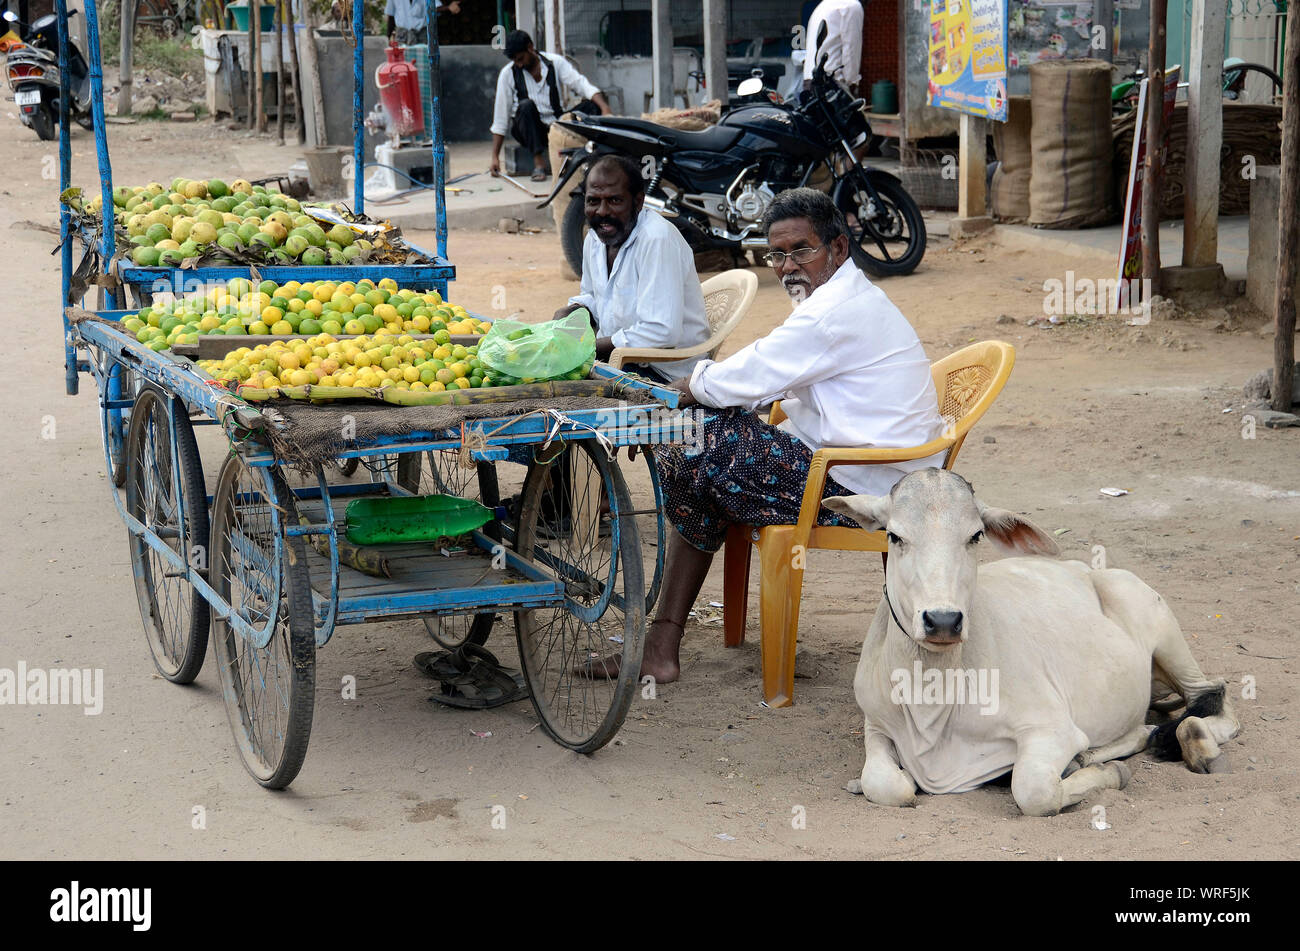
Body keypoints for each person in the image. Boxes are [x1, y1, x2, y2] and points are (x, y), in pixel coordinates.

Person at [584, 187, 946, 683]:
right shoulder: (836, 298)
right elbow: (775, 378)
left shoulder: (834, 311)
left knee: (696, 441)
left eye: (801, 250)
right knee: (703, 454)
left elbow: (754, 370)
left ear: (838, 249)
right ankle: (662, 645)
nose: (787, 265)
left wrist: (691, 386)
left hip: (864, 488)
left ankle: (662, 644)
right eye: (776, 253)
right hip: (851, 465)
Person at [555, 155, 711, 383]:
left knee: (560, 388)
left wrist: (589, 349)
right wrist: (574, 312)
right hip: (617, 361)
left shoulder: (656, 239)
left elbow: (661, 331)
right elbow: (594, 297)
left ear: (638, 202)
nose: (602, 212)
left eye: (614, 201)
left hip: (666, 372)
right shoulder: (595, 239)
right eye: (593, 201)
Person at [490, 30, 611, 181]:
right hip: (529, 130)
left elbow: (581, 84)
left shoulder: (555, 62)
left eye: (521, 58)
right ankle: (539, 163)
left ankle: (596, 154)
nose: (519, 64)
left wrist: (605, 109)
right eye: (515, 61)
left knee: (591, 106)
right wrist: (495, 156)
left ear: (530, 47)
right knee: (526, 106)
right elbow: (500, 117)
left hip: (556, 125)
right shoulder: (507, 74)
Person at [804, 0, 864, 92]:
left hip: (809, 79)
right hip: (831, 82)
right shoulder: (851, 6)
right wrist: (852, 82)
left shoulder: (823, 5)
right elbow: (851, 50)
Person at [385, 0, 461, 48]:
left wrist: (448, 8)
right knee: (403, 66)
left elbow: (435, 7)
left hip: (421, 36)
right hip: (402, 37)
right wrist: (387, 38)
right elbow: (390, 16)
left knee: (423, 65)